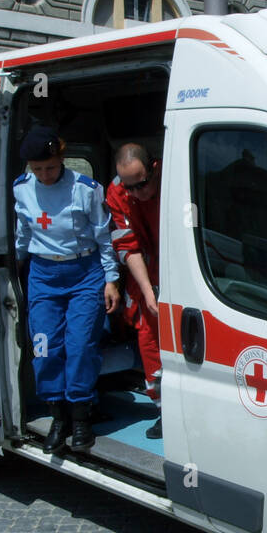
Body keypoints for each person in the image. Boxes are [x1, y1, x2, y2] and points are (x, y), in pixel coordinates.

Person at [13, 126, 121, 454]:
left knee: (80, 346)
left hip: (84, 273)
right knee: (45, 347)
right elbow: (23, 235)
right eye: (37, 169)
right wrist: (11, 270)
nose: (44, 175)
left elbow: (104, 237)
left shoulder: (86, 189)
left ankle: (80, 418)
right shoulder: (22, 189)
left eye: (50, 167)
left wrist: (111, 279)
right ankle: (56, 416)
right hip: (43, 274)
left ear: (62, 159)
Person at [105, 142, 163, 439]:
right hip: (146, 276)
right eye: (131, 188)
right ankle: (163, 409)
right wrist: (148, 291)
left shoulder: (173, 177)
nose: (137, 193)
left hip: (179, 267)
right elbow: (128, 246)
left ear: (154, 168)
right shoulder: (117, 192)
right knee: (149, 340)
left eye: (142, 185)